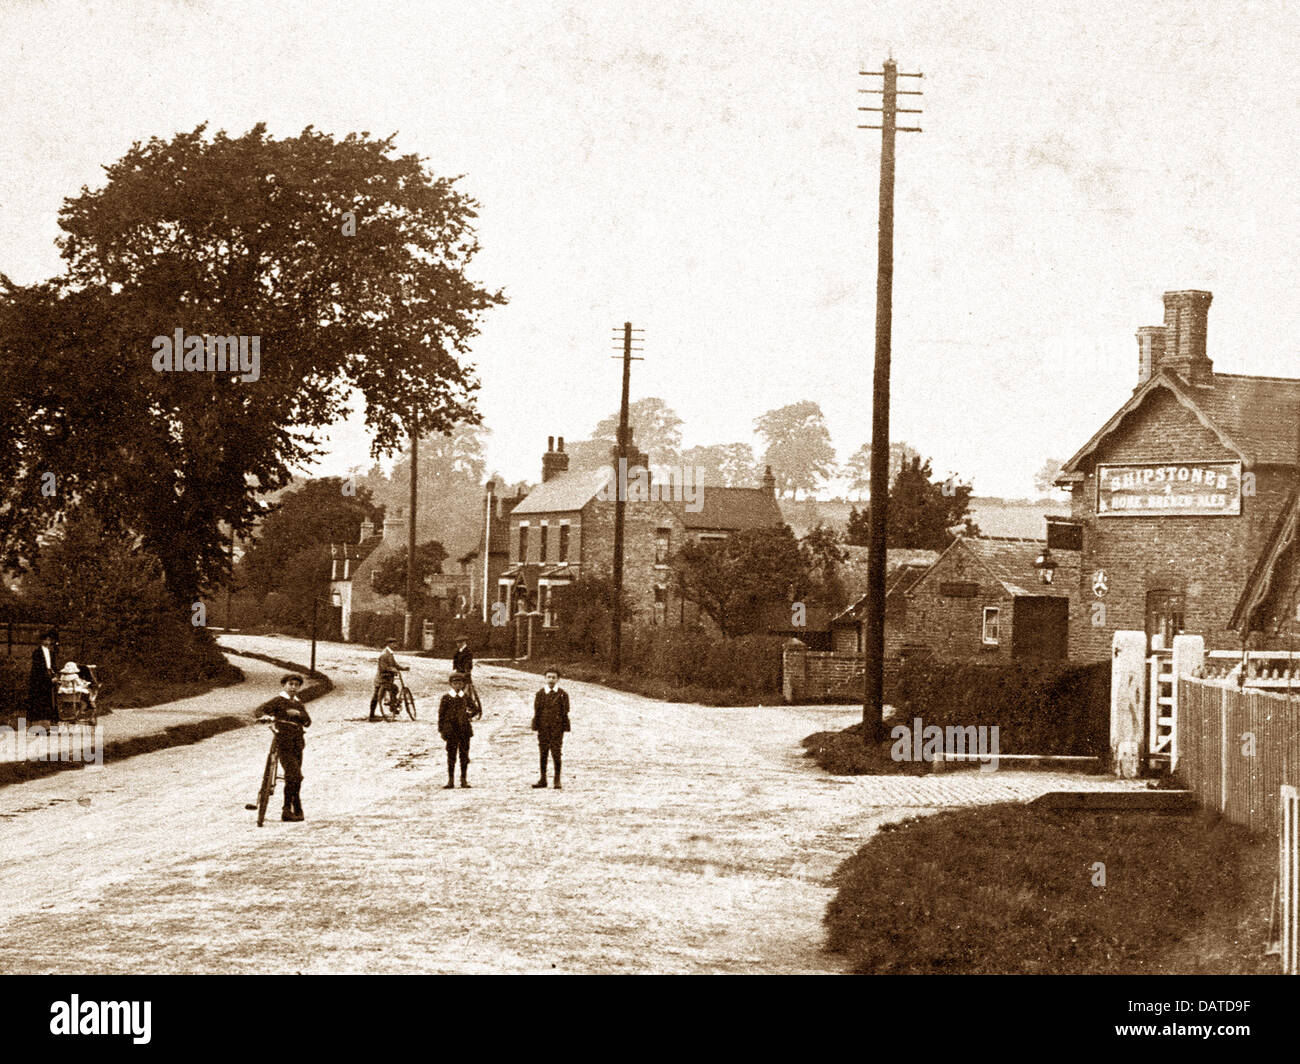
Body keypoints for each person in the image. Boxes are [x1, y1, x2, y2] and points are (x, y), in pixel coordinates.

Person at [258, 674, 312, 822]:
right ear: (284, 685)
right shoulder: (278, 701)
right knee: (294, 775)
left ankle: (294, 806)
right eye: (291, 684)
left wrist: (298, 714)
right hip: (284, 740)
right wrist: (266, 717)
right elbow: (263, 710)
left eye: (297, 685)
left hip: (297, 742)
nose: (293, 687)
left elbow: (308, 721)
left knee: (295, 777)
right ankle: (287, 810)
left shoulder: (299, 704)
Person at [438, 671, 480, 789]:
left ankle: (463, 779)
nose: (457, 686)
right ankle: (450, 780)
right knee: (451, 755)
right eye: (455, 683)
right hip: (451, 730)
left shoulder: (465, 697)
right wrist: (441, 730)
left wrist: (468, 715)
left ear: (463, 684)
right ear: (450, 684)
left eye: (460, 683)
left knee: (464, 755)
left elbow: (476, 710)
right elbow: (441, 715)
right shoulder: (446, 698)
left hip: (464, 730)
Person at [531, 668, 570, 789]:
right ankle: (543, 779)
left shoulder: (563, 694)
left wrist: (563, 726)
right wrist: (536, 725)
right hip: (543, 728)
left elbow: (565, 711)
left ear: (558, 679)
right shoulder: (540, 694)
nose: (551, 680)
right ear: (545, 678)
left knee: (556, 753)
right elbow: (537, 711)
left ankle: (557, 780)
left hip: (557, 728)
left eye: (554, 677)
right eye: (549, 677)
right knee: (543, 753)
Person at [369, 637, 408, 721]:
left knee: (379, 695)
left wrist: (403, 668)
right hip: (382, 679)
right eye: (394, 644)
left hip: (386, 678)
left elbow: (395, 664)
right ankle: (390, 707)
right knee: (394, 689)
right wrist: (392, 669)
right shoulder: (384, 654)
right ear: (389, 644)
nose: (395, 645)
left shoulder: (389, 653)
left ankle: (390, 706)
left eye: (396, 643)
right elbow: (384, 667)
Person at [27, 630, 58, 723]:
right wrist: (48, 678)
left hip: (48, 676)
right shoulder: (37, 652)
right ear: (41, 641)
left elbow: (53, 666)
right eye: (46, 640)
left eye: (49, 640)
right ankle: (39, 726)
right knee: (39, 703)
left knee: (49, 702)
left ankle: (48, 725)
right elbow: (39, 668)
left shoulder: (51, 652)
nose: (47, 642)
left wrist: (54, 675)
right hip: (39, 680)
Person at [451, 635, 482, 715]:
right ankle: (459, 710)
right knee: (456, 692)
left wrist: (466, 672)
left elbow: (468, 663)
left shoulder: (468, 652)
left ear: (464, 642)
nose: (458, 644)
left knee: (462, 693)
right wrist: (455, 670)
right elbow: (455, 662)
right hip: (458, 674)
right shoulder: (458, 651)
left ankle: (474, 708)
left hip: (465, 675)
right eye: (457, 642)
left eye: (460, 642)